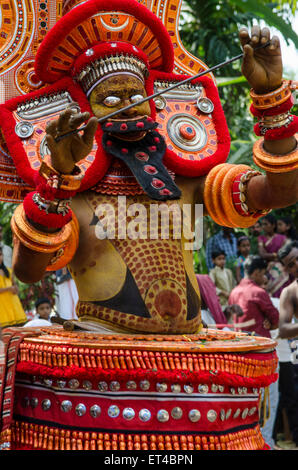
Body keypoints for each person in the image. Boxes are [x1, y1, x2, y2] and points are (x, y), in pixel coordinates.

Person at [4, 1, 298, 337]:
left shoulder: (187, 181)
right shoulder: (74, 192)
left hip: (187, 353)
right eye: (111, 100)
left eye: (136, 96)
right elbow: (28, 271)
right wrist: (58, 180)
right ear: (83, 110)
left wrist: (270, 95)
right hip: (105, 352)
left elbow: (280, 192)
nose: (129, 109)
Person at [228, 256, 279, 338]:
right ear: (256, 272)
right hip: (260, 344)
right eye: (263, 274)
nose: (264, 278)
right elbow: (276, 319)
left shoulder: (233, 293)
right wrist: (270, 324)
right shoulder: (258, 292)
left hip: (240, 343)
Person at [258, 214, 290, 298]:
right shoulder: (261, 238)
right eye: (262, 224)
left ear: (273, 225)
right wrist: (276, 254)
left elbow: (284, 254)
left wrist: (272, 257)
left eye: (266, 224)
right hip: (267, 270)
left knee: (284, 292)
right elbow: (262, 254)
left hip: (282, 270)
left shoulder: (282, 238)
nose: (263, 227)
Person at [0, 247, 27, 328]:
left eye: (0, 254)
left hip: (13, 305)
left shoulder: (9, 271)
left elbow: (15, 286)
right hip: (2, 307)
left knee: (16, 330)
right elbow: (10, 287)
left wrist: (15, 289)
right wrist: (8, 289)